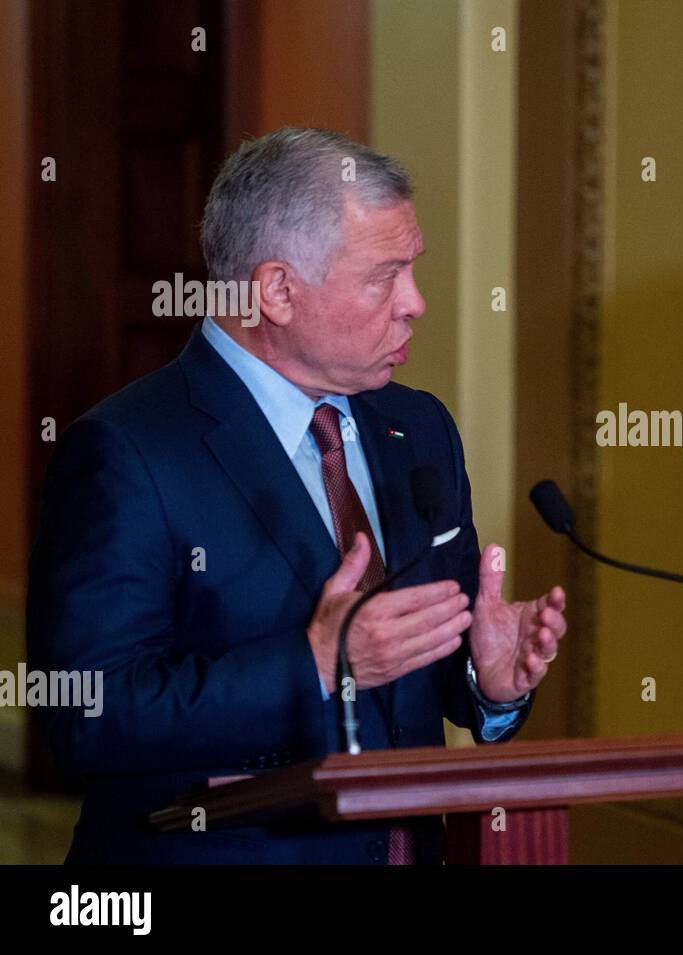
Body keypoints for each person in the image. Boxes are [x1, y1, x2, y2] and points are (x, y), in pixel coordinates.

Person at [26, 127, 567, 864]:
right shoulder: (129, 449)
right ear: (277, 290)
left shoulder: (419, 427)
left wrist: (488, 683)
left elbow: (412, 686)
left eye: (415, 270)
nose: (416, 302)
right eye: (386, 275)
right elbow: (83, 716)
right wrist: (314, 663)